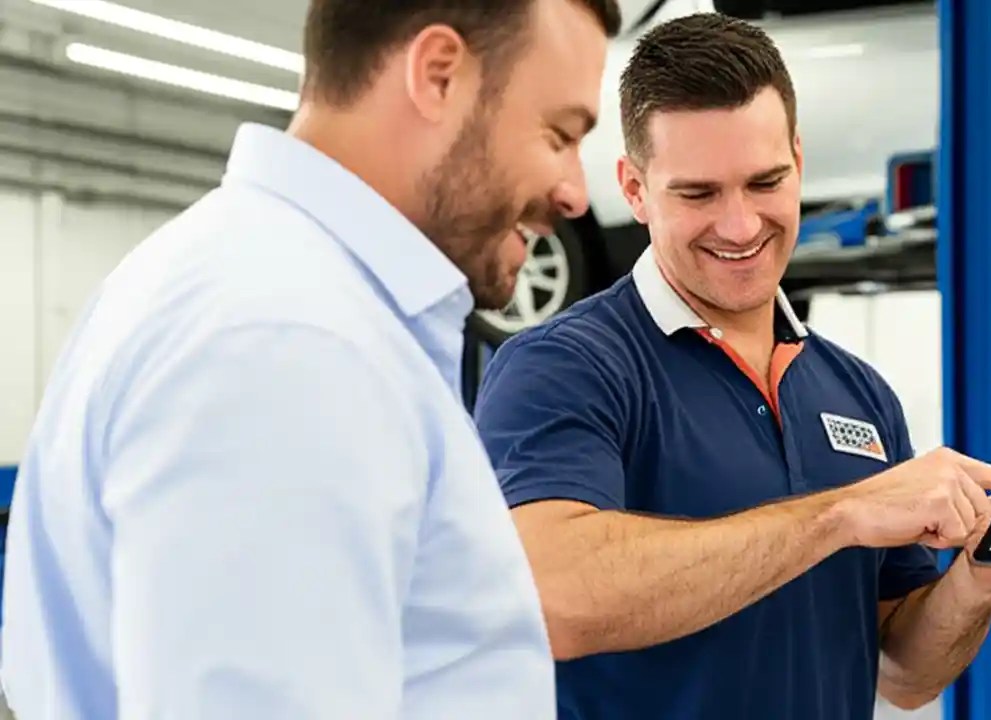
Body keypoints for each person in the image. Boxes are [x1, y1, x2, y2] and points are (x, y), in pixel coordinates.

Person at [0, 0, 620, 717]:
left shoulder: (253, 287)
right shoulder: (288, 344)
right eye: (559, 134)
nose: (574, 191)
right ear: (439, 74)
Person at [474, 12, 991, 720]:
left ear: (799, 161)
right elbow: (555, 597)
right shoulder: (564, 367)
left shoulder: (858, 392)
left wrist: (976, 580)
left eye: (765, 182)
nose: (740, 225)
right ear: (633, 189)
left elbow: (905, 675)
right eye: (698, 194)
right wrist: (841, 514)